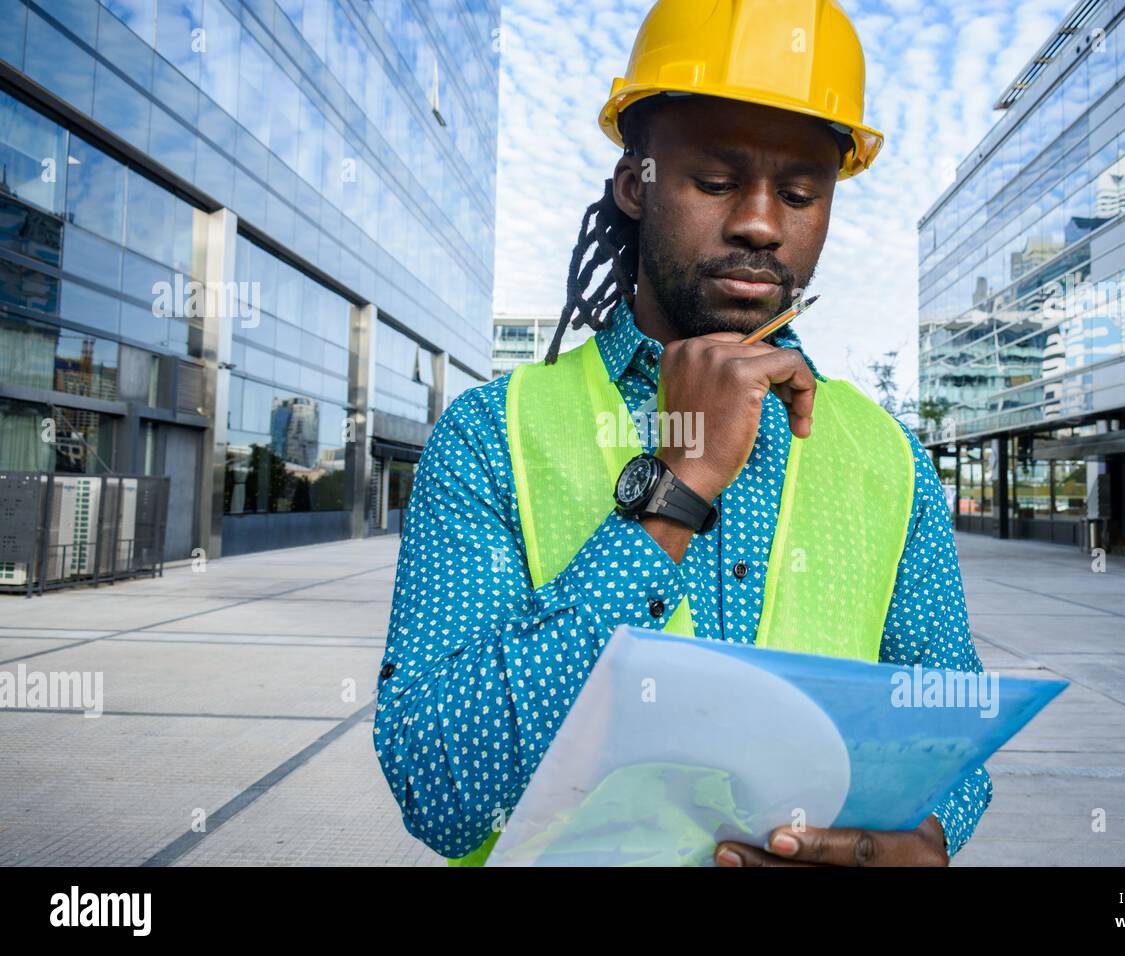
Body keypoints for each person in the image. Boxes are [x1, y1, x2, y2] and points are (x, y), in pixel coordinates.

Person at [374, 0, 991, 867]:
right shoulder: (489, 437)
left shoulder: (887, 455)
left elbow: (945, 721)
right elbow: (438, 786)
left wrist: (927, 836)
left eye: (802, 193)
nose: (762, 224)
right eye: (715, 181)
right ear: (637, 183)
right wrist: (678, 484)